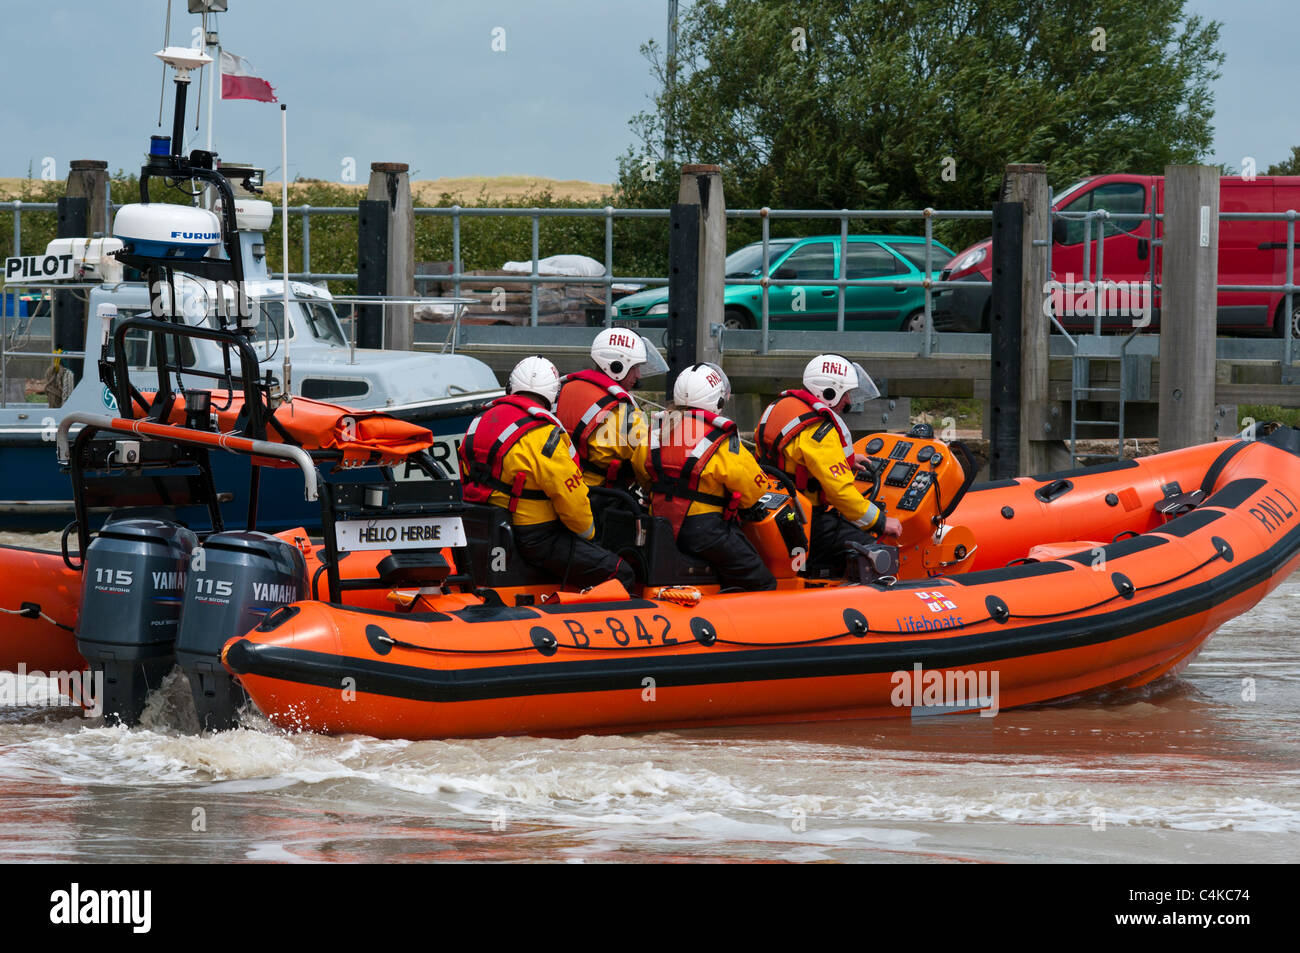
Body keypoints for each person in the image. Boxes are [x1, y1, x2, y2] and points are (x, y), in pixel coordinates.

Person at [459, 355, 637, 591]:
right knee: (620, 572)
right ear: (553, 395)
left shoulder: (480, 420)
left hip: (482, 525)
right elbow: (572, 498)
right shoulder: (544, 435)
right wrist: (591, 535)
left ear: (511, 387)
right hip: (536, 537)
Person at [756, 353, 902, 576]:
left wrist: (845, 461)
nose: (848, 402)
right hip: (809, 521)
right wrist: (880, 522)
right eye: (845, 395)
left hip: (776, 507)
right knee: (874, 551)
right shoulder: (820, 430)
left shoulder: (779, 407)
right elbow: (841, 493)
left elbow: (797, 457)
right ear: (829, 392)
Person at [636, 362, 776, 592]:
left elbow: (642, 472)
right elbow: (754, 491)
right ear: (718, 401)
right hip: (704, 533)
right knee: (760, 580)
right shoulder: (721, 441)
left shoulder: (656, 432)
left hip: (659, 527)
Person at [554, 328, 665, 504]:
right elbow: (646, 463)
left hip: (558, 490)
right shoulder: (624, 412)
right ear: (616, 367)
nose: (639, 375)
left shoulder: (564, 389)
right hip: (600, 501)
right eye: (635, 367)